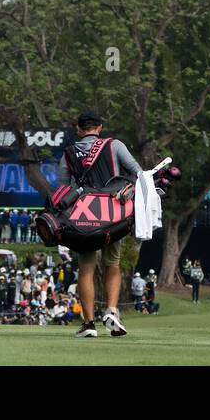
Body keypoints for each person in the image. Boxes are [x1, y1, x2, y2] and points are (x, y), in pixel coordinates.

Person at [64, 109, 141, 338]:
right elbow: (138, 173)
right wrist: (128, 189)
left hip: (84, 217)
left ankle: (88, 324)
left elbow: (62, 189)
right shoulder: (114, 146)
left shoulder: (68, 153)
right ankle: (112, 311)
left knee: (86, 268)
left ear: (78, 129)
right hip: (113, 214)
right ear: (99, 128)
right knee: (112, 264)